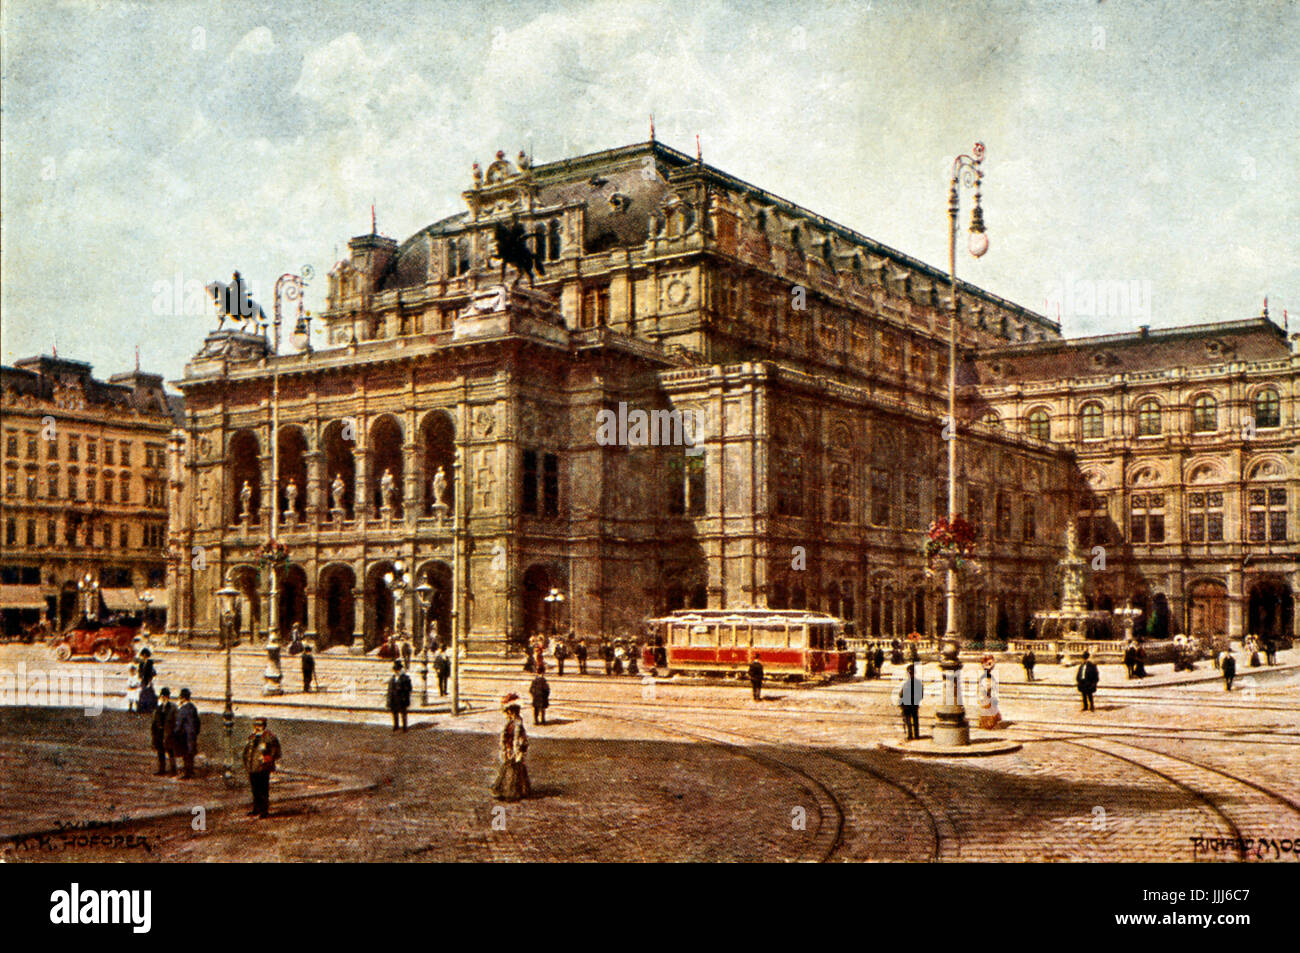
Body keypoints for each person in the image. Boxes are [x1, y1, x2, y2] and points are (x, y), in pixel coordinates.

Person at [491, 694, 530, 801]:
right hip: (509, 749)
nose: (506, 715)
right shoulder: (510, 723)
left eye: (507, 712)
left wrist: (520, 750)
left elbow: (522, 738)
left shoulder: (517, 724)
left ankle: (512, 792)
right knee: (509, 770)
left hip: (515, 750)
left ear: (511, 712)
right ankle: (506, 790)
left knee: (514, 771)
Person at [242, 717, 282, 818]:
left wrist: (268, 758)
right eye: (256, 725)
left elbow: (276, 751)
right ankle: (256, 809)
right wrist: (246, 763)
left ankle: (264, 810)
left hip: (263, 767)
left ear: (264, 726)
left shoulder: (269, 737)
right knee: (255, 790)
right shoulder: (252, 737)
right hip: (253, 767)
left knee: (263, 789)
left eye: (260, 725)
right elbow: (246, 751)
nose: (257, 728)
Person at [173, 688, 201, 779]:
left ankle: (187, 773)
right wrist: (196, 731)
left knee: (185, 754)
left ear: (183, 698)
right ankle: (190, 771)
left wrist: (175, 732)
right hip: (192, 733)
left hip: (184, 734)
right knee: (190, 753)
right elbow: (197, 721)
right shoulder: (193, 707)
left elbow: (179, 723)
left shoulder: (183, 709)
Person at [151, 687, 177, 775]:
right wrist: (154, 733)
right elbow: (154, 722)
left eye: (165, 696)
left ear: (168, 697)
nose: (163, 698)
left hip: (168, 732)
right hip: (159, 732)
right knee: (160, 752)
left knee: (170, 752)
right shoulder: (158, 708)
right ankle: (162, 769)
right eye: (162, 696)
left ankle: (173, 770)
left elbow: (175, 721)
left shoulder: (172, 708)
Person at [899, 663, 923, 740]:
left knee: (908, 720)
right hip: (914, 704)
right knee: (915, 720)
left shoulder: (907, 683)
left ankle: (910, 735)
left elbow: (901, 694)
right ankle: (916, 735)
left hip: (907, 705)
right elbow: (921, 695)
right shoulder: (919, 683)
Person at [386, 661, 412, 732]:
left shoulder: (405, 678)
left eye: (398, 670)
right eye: (395, 670)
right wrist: (389, 699)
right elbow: (390, 690)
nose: (396, 672)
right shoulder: (392, 678)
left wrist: (403, 692)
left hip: (402, 698)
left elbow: (409, 688)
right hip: (394, 698)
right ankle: (396, 725)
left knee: (403, 713)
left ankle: (404, 726)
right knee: (395, 713)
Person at [976, 658, 1001, 730]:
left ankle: (987, 724)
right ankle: (987, 724)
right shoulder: (985, 677)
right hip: (986, 696)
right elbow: (985, 687)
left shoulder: (988, 677)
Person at [137, 648, 158, 714]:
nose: (143, 657)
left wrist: (150, 681)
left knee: (148, 694)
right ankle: (143, 709)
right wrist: (140, 677)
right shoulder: (141, 663)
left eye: (143, 655)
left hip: (148, 680)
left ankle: (149, 709)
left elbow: (152, 672)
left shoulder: (150, 662)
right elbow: (139, 671)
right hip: (143, 680)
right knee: (143, 693)